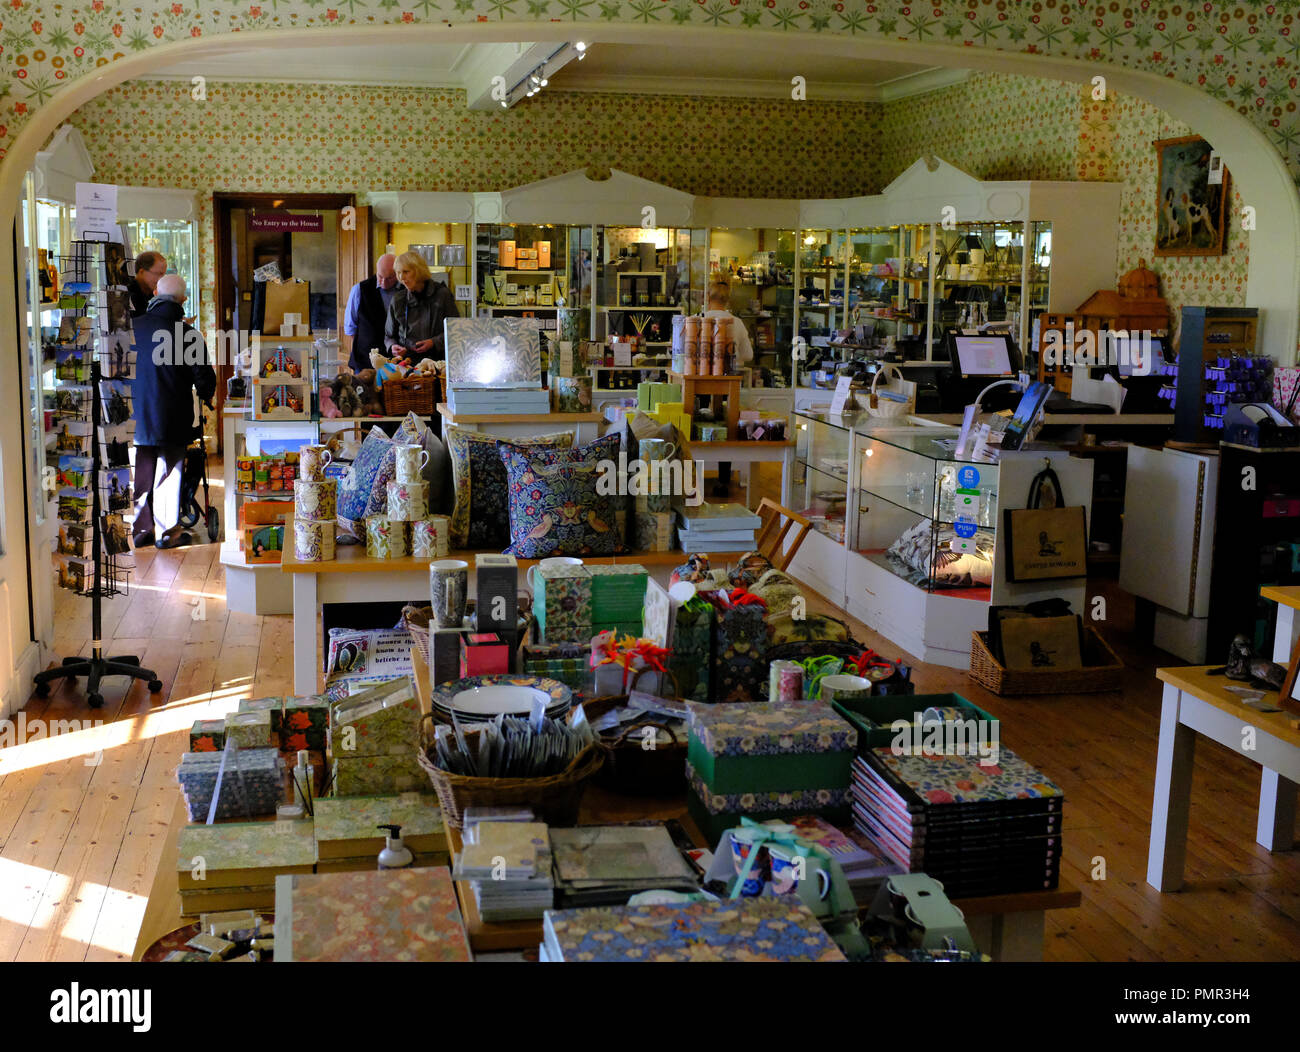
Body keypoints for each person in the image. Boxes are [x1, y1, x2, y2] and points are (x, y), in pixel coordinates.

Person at [131, 274, 217, 549]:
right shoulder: (187, 335)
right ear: (183, 300)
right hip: (172, 416)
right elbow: (205, 380)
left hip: (136, 414)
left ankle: (142, 530)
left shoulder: (133, 327)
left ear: (155, 293)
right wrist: (206, 396)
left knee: (142, 470)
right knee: (169, 473)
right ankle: (168, 532)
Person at [701, 277, 754, 496]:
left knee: (697, 429)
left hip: (699, 385)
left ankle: (693, 477)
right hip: (727, 385)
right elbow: (748, 355)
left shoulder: (697, 320)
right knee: (727, 427)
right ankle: (724, 480)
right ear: (728, 299)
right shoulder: (737, 323)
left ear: (707, 297)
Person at [384, 250, 459, 364]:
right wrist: (393, 346)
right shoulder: (398, 299)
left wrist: (434, 342)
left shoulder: (442, 295)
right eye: (398, 272)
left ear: (418, 271)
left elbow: (456, 330)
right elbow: (389, 335)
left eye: (406, 272)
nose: (401, 277)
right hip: (407, 366)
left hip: (437, 364)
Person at [344, 252, 398, 373]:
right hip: (365, 361)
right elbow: (350, 328)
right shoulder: (359, 290)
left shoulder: (404, 290)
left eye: (390, 278)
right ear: (376, 271)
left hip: (396, 362)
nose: (384, 283)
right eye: (380, 276)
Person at [129, 251, 167, 318]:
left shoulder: (156, 295)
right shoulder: (128, 297)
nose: (162, 279)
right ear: (141, 272)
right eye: (158, 274)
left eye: (163, 275)